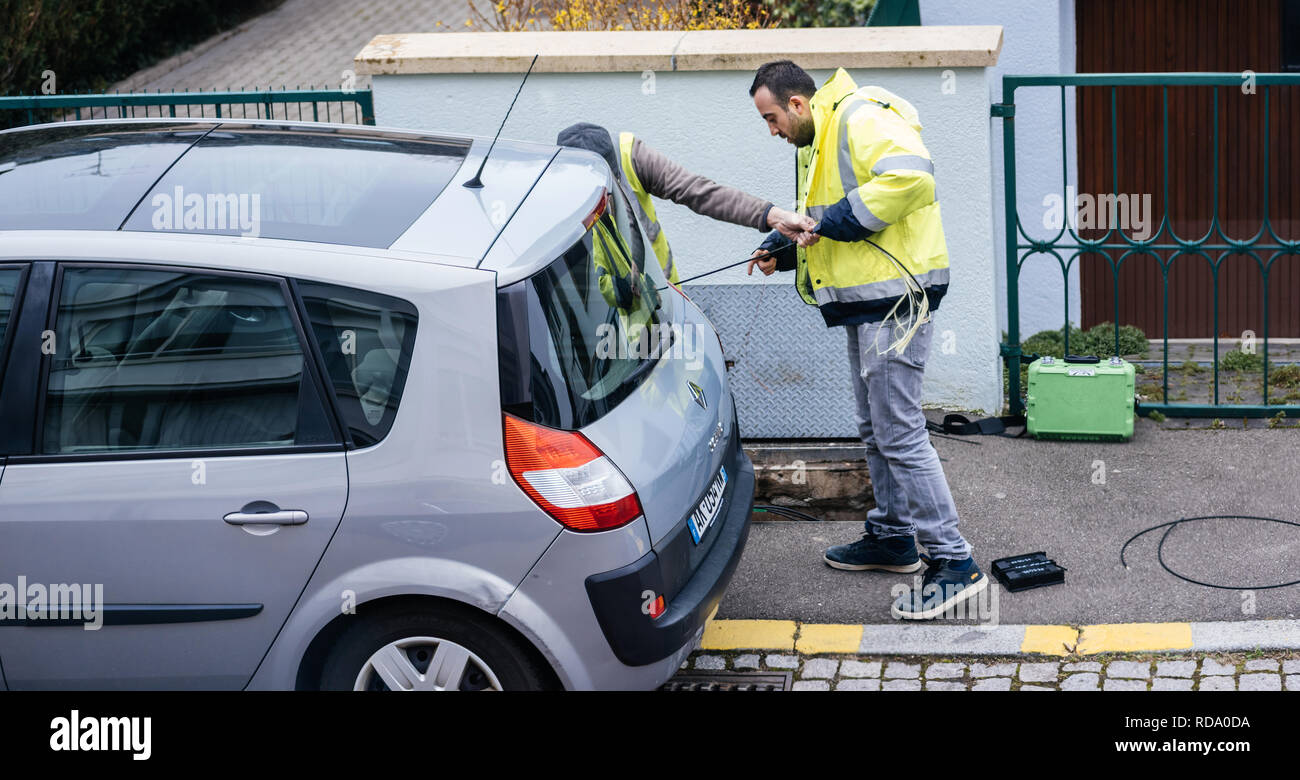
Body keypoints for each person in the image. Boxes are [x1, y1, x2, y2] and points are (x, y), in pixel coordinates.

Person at [744, 60, 987, 620]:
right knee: (874, 428)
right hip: (869, 304)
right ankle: (893, 537)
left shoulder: (857, 116)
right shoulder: (821, 135)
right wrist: (786, 251)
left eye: (773, 118)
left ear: (798, 104)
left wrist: (835, 220)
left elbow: (912, 179)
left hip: (897, 303)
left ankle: (954, 562)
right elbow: (829, 221)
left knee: (899, 433)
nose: (773, 131)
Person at [555, 122, 814, 285]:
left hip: (661, 303)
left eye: (610, 182)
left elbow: (699, 192)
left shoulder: (629, 155)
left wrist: (772, 216)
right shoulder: (547, 189)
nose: (606, 197)